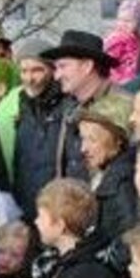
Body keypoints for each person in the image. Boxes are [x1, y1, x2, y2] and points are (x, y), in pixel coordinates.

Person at [43, 29, 117, 186]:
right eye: (56, 68)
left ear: (87, 66)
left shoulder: (120, 104)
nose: (57, 76)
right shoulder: (69, 105)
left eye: (63, 66)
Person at [75, 93, 140, 247]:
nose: (83, 148)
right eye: (82, 138)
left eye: (92, 140)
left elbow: (131, 241)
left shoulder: (123, 182)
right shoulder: (110, 175)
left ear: (119, 139)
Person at [11, 52, 67, 212]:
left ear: (52, 70)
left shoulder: (65, 105)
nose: (29, 78)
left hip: (56, 204)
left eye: (37, 70)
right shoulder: (23, 104)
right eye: (24, 71)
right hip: (27, 203)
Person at [104, 0, 140, 86]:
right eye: (120, 20)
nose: (122, 24)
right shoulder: (117, 39)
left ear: (138, 24)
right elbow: (108, 59)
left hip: (132, 76)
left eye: (128, 21)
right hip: (118, 78)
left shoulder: (137, 38)